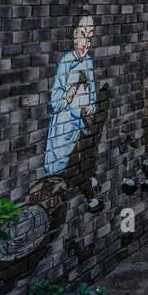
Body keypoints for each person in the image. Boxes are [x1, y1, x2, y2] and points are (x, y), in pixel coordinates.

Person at [44, 9, 97, 176]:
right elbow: (55, 103)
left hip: (78, 130)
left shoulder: (88, 62)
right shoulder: (66, 61)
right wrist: (69, 93)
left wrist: (91, 106)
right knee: (56, 169)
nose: (86, 43)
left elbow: (93, 95)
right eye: (82, 34)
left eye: (90, 37)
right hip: (63, 129)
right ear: (74, 34)